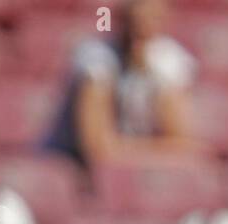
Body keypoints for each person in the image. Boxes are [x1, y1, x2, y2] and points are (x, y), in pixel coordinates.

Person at [45, 0, 201, 166]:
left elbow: (182, 143)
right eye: (134, 21)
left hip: (130, 168)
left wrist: (123, 148)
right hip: (70, 163)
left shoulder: (169, 60)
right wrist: (159, 149)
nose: (141, 30)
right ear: (121, 20)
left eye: (152, 18)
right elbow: (97, 147)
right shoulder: (95, 58)